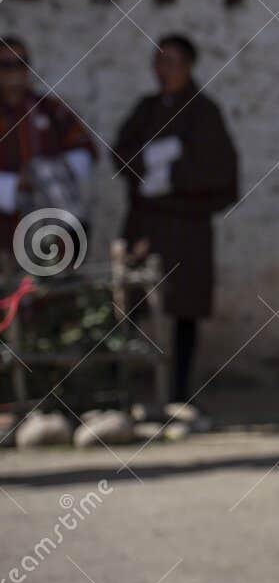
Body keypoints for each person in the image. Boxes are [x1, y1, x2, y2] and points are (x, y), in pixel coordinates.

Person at [111, 35, 238, 419]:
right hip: (145, 225)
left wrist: (177, 174)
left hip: (188, 227)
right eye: (158, 60)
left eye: (172, 61)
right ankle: (132, 395)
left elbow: (221, 170)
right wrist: (150, 161)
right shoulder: (146, 109)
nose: (163, 69)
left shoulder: (204, 112)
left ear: (189, 65)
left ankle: (180, 393)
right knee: (132, 307)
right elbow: (121, 153)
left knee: (185, 307)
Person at [0, 35, 94, 251]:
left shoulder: (50, 109)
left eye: (21, 63)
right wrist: (15, 184)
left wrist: (54, 172)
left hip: (52, 230)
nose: (14, 72)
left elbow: (82, 147)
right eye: (5, 65)